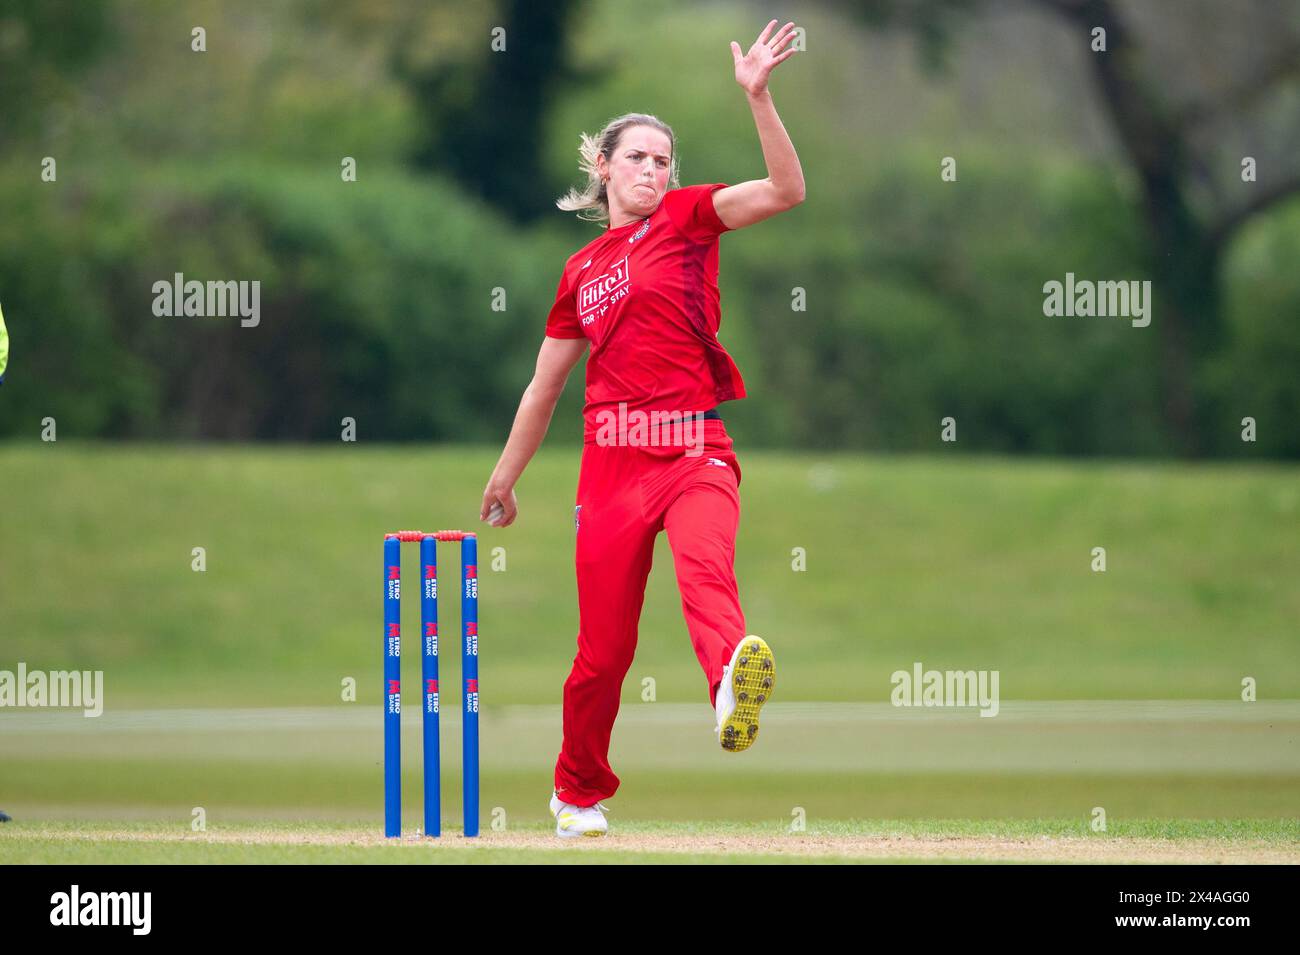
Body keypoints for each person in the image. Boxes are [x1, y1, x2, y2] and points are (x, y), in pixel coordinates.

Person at [480, 19, 804, 838]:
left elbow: (785, 190)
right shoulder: (579, 271)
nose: (653, 170)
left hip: (696, 447)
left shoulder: (690, 219)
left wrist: (758, 97)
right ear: (604, 166)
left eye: (663, 160)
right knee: (604, 653)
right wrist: (506, 475)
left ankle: (730, 684)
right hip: (611, 466)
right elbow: (544, 387)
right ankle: (577, 791)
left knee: (706, 569)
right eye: (637, 157)